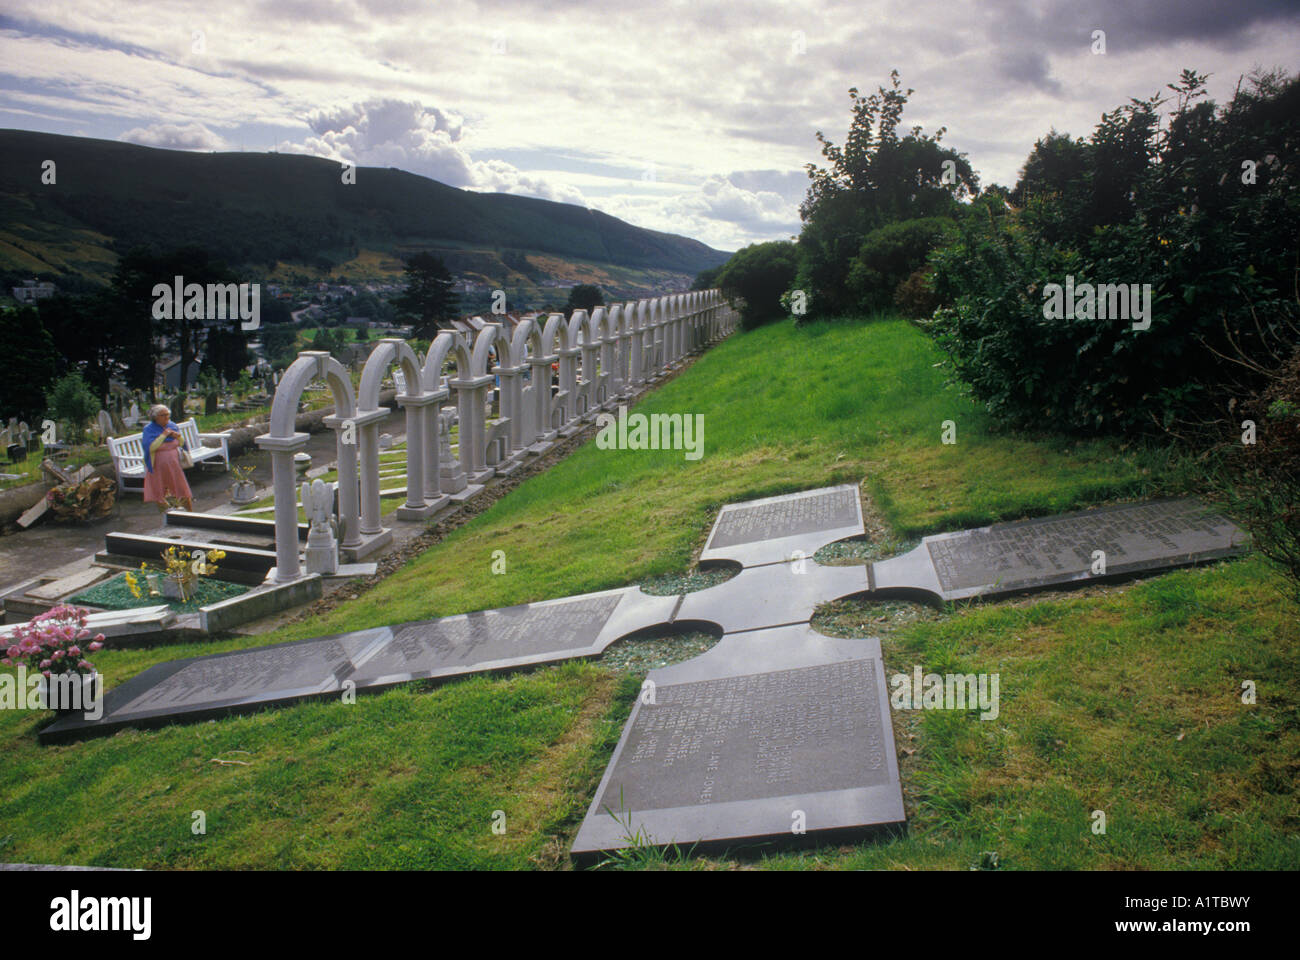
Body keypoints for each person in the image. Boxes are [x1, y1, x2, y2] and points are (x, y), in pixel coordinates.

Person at [141, 404, 193, 512]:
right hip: (157, 466)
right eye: (163, 415)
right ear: (155, 417)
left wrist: (177, 437)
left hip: (174, 464)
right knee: (161, 490)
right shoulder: (149, 429)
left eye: (168, 414)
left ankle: (189, 512)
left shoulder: (172, 425)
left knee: (181, 488)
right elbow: (150, 448)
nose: (166, 417)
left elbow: (181, 443)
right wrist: (163, 435)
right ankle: (167, 515)